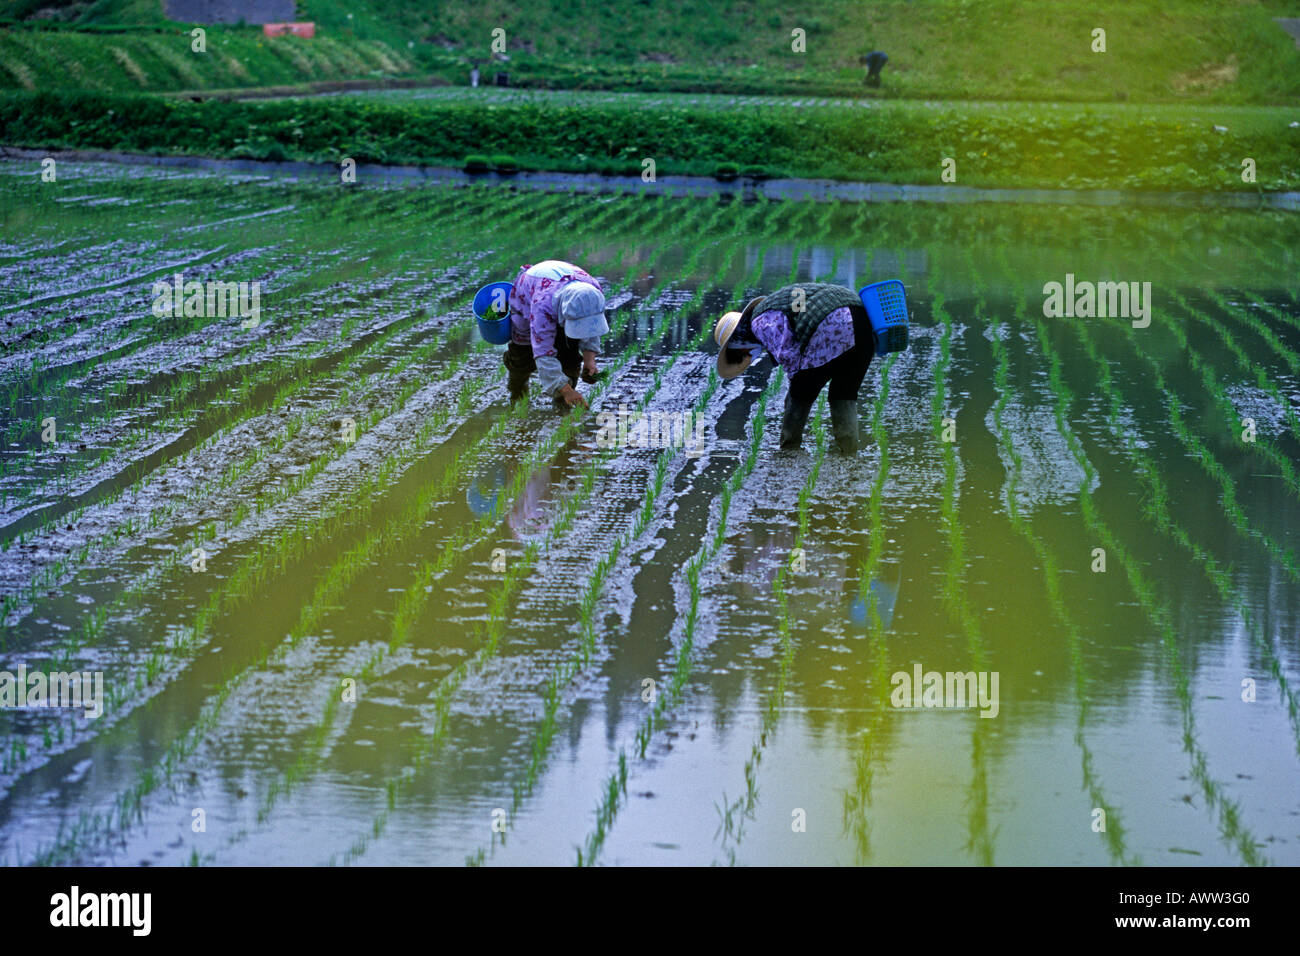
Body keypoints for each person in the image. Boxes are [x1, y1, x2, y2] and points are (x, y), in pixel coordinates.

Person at [713, 283, 872, 453]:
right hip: (863, 325)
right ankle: (848, 452)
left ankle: (789, 450)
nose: (748, 354)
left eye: (741, 352)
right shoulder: (777, 303)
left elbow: (789, 353)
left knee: (799, 393)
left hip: (831, 325)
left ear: (738, 340)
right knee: (843, 394)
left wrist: (794, 391)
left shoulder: (759, 320)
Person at [505, 260, 608, 411]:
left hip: (559, 288)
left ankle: (562, 405)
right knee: (522, 355)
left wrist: (589, 360)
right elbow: (543, 351)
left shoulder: (593, 293)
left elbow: (592, 326)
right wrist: (567, 391)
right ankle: (517, 394)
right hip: (530, 295)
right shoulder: (542, 306)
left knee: (569, 353)